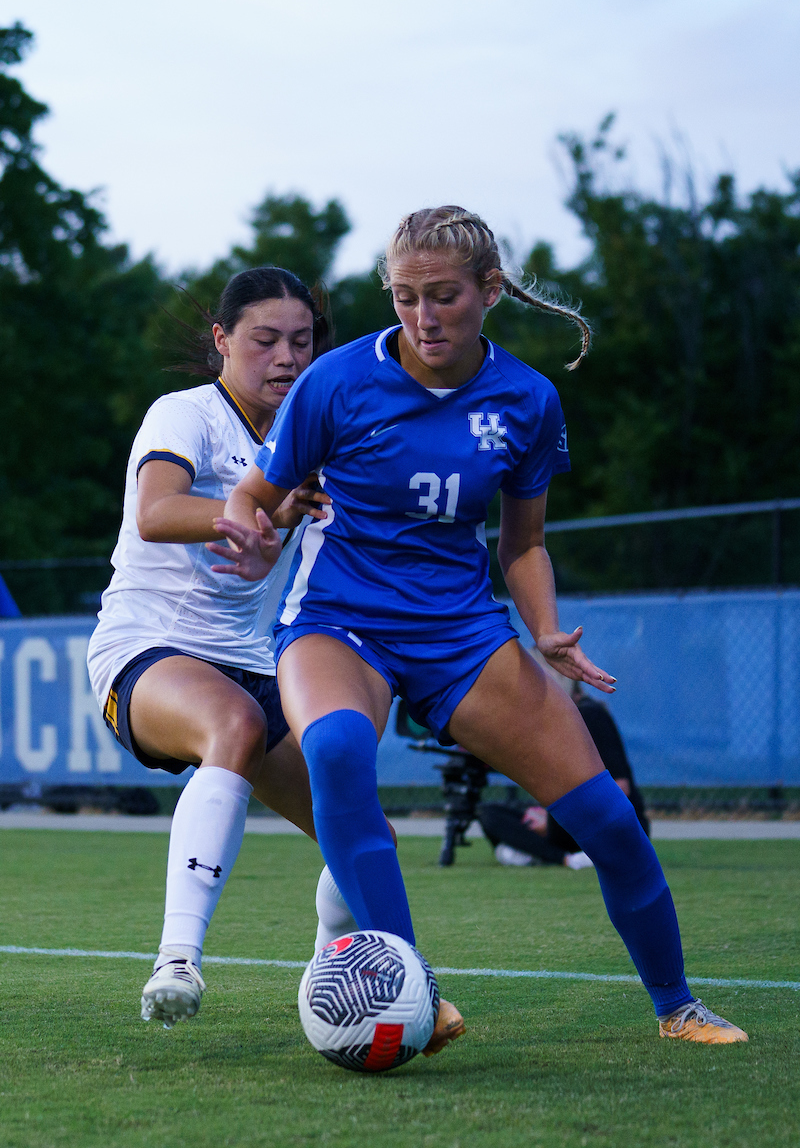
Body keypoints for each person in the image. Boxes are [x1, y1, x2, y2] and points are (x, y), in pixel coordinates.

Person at [212, 208, 748, 1045]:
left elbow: (523, 544)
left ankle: (678, 1007)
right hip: (337, 620)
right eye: (404, 297)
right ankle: (413, 993)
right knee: (338, 752)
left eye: (444, 296)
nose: (423, 317)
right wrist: (252, 534)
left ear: (490, 290)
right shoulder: (335, 382)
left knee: (606, 818)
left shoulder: (528, 399)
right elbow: (257, 494)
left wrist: (545, 629)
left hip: (462, 631)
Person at [87, 266, 358, 1030]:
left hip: (250, 663)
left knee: (362, 835)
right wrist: (253, 513)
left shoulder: (309, 442)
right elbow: (156, 512)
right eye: (266, 340)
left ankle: (336, 983)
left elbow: (267, 565)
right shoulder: (186, 413)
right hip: (146, 648)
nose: (287, 357)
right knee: (234, 724)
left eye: (301, 341)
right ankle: (176, 960)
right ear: (222, 341)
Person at [479, 662, 649, 867]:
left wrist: (556, 819)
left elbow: (620, 789)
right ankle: (565, 857)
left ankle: (558, 857)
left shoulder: (591, 715)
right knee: (490, 814)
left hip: (609, 822)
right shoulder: (553, 722)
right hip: (569, 819)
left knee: (540, 827)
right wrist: (547, 816)